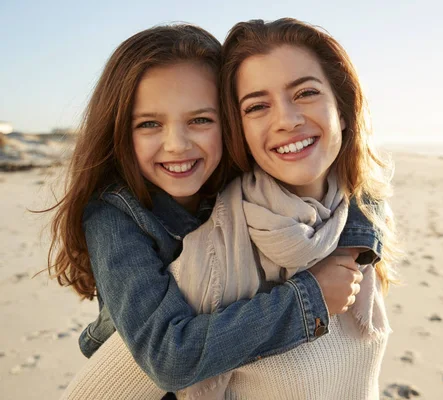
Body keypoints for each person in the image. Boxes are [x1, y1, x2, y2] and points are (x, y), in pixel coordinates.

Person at [60, 18, 398, 400]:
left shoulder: (239, 180)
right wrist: (309, 298)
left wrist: (352, 248)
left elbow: (354, 184)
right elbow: (168, 356)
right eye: (150, 124)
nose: (177, 145)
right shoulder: (115, 215)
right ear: (120, 130)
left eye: (201, 120)